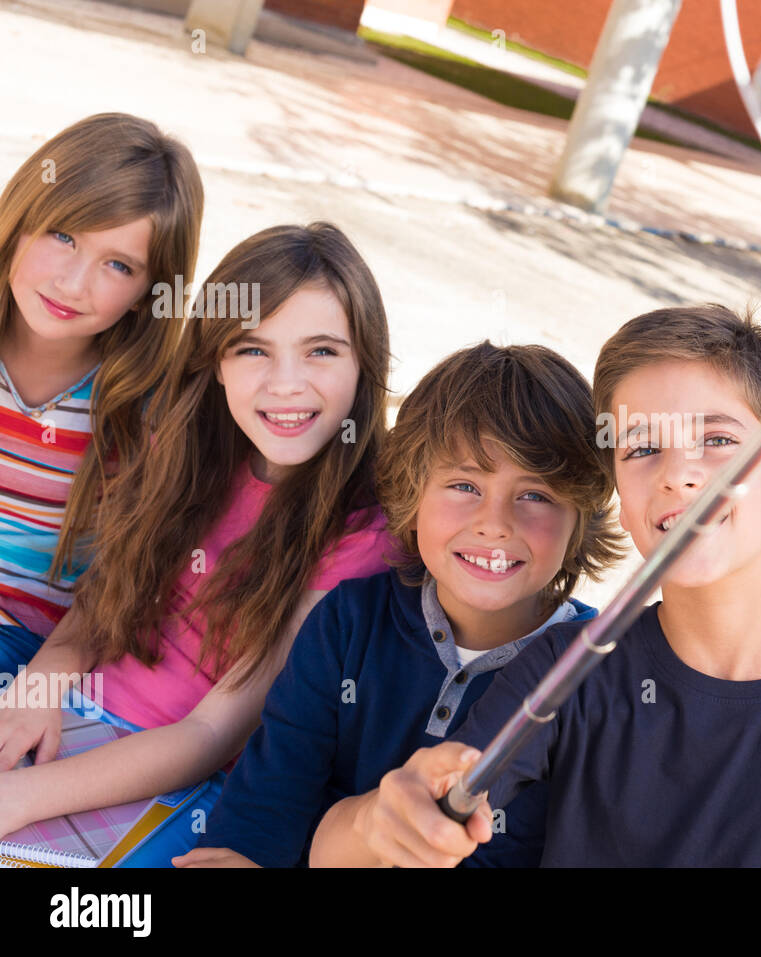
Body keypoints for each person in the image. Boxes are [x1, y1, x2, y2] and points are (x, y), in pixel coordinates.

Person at [311, 303, 761, 866]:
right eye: (643, 447)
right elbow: (376, 831)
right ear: (618, 490)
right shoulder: (564, 672)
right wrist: (382, 818)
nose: (680, 474)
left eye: (717, 439)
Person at [0, 223, 396, 865]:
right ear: (214, 362)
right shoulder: (187, 450)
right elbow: (105, 599)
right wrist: (36, 692)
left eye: (321, 351)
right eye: (252, 350)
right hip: (72, 711)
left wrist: (20, 799)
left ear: (365, 363)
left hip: (179, 780)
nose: (286, 384)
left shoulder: (360, 532)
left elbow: (213, 733)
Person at [174, 341, 625, 867]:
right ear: (412, 498)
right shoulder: (348, 623)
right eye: (463, 484)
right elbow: (271, 793)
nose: (496, 522)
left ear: (581, 521)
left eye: (536, 495)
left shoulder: (591, 678)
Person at [0, 113, 203, 675]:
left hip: (28, 655)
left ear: (147, 293)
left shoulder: (146, 412)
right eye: (63, 236)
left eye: (117, 265)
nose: (73, 282)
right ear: (21, 219)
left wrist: (40, 688)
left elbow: (120, 587)